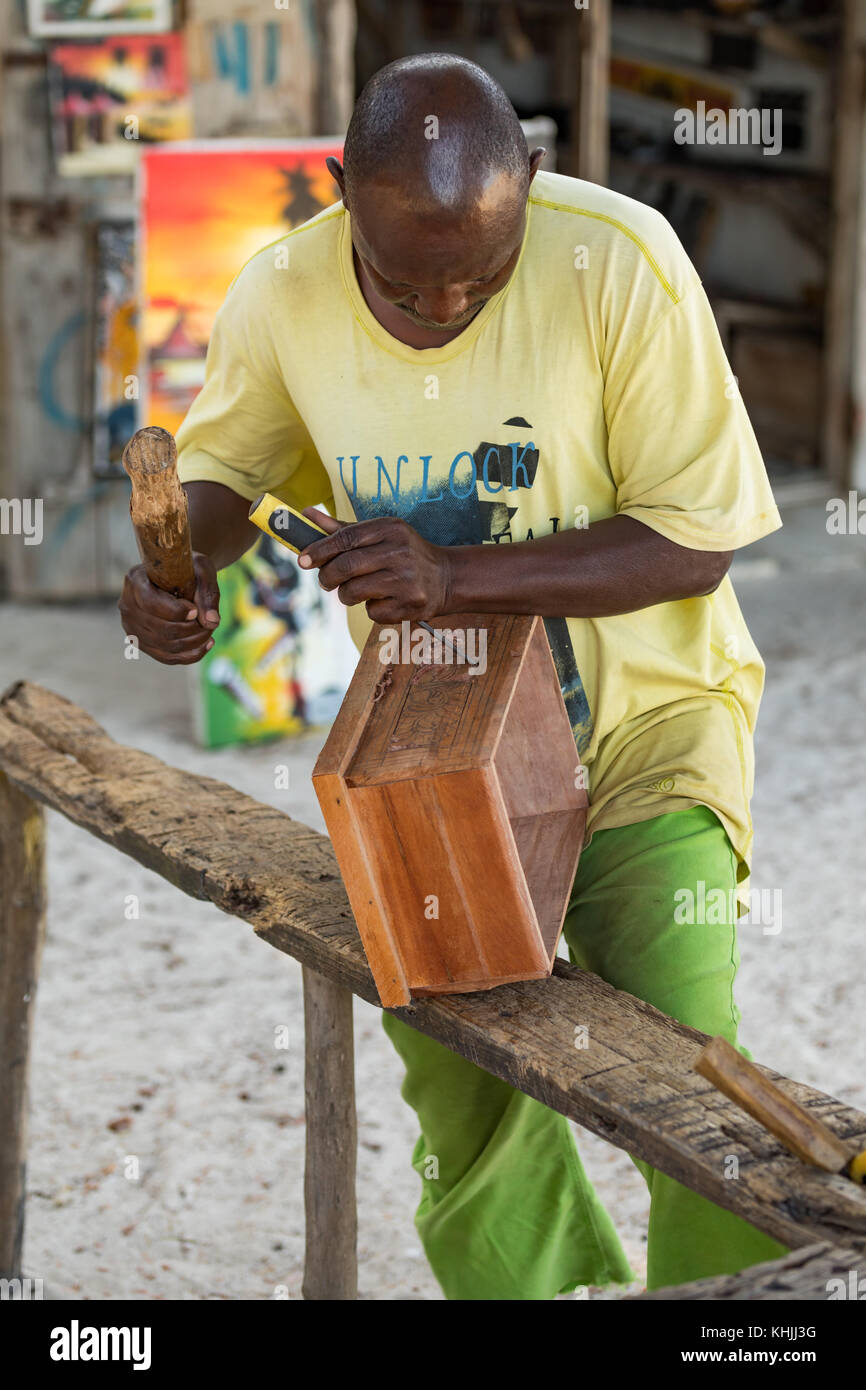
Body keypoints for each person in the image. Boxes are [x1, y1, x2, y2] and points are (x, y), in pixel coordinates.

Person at [118, 53, 786, 1299]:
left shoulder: (620, 262)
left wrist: (453, 576)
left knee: (685, 1069)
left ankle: (730, 1325)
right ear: (341, 194)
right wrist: (176, 570)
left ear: (529, 178)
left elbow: (695, 543)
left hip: (649, 727)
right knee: (465, 1081)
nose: (443, 308)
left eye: (479, 275)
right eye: (404, 282)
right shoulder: (282, 293)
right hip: (430, 758)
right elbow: (224, 481)